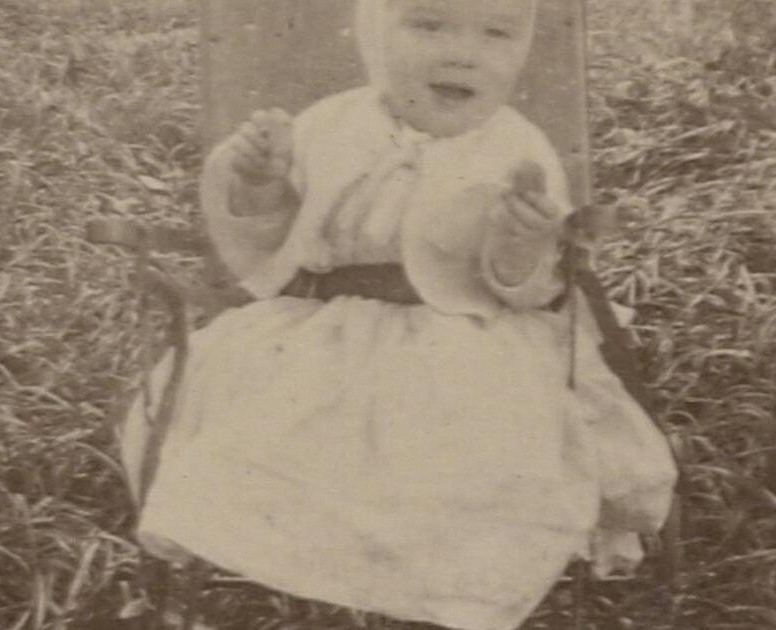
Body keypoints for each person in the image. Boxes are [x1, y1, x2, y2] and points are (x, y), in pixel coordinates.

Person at [119, 1, 677, 629]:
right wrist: (263, 184)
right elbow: (275, 245)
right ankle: (313, 556)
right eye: (429, 25)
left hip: (469, 335)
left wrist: (522, 245)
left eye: (496, 34)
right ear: (374, 34)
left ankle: (447, 589)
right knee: (265, 422)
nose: (462, 53)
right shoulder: (330, 125)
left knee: (482, 443)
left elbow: (538, 287)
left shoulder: (517, 146)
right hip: (326, 324)